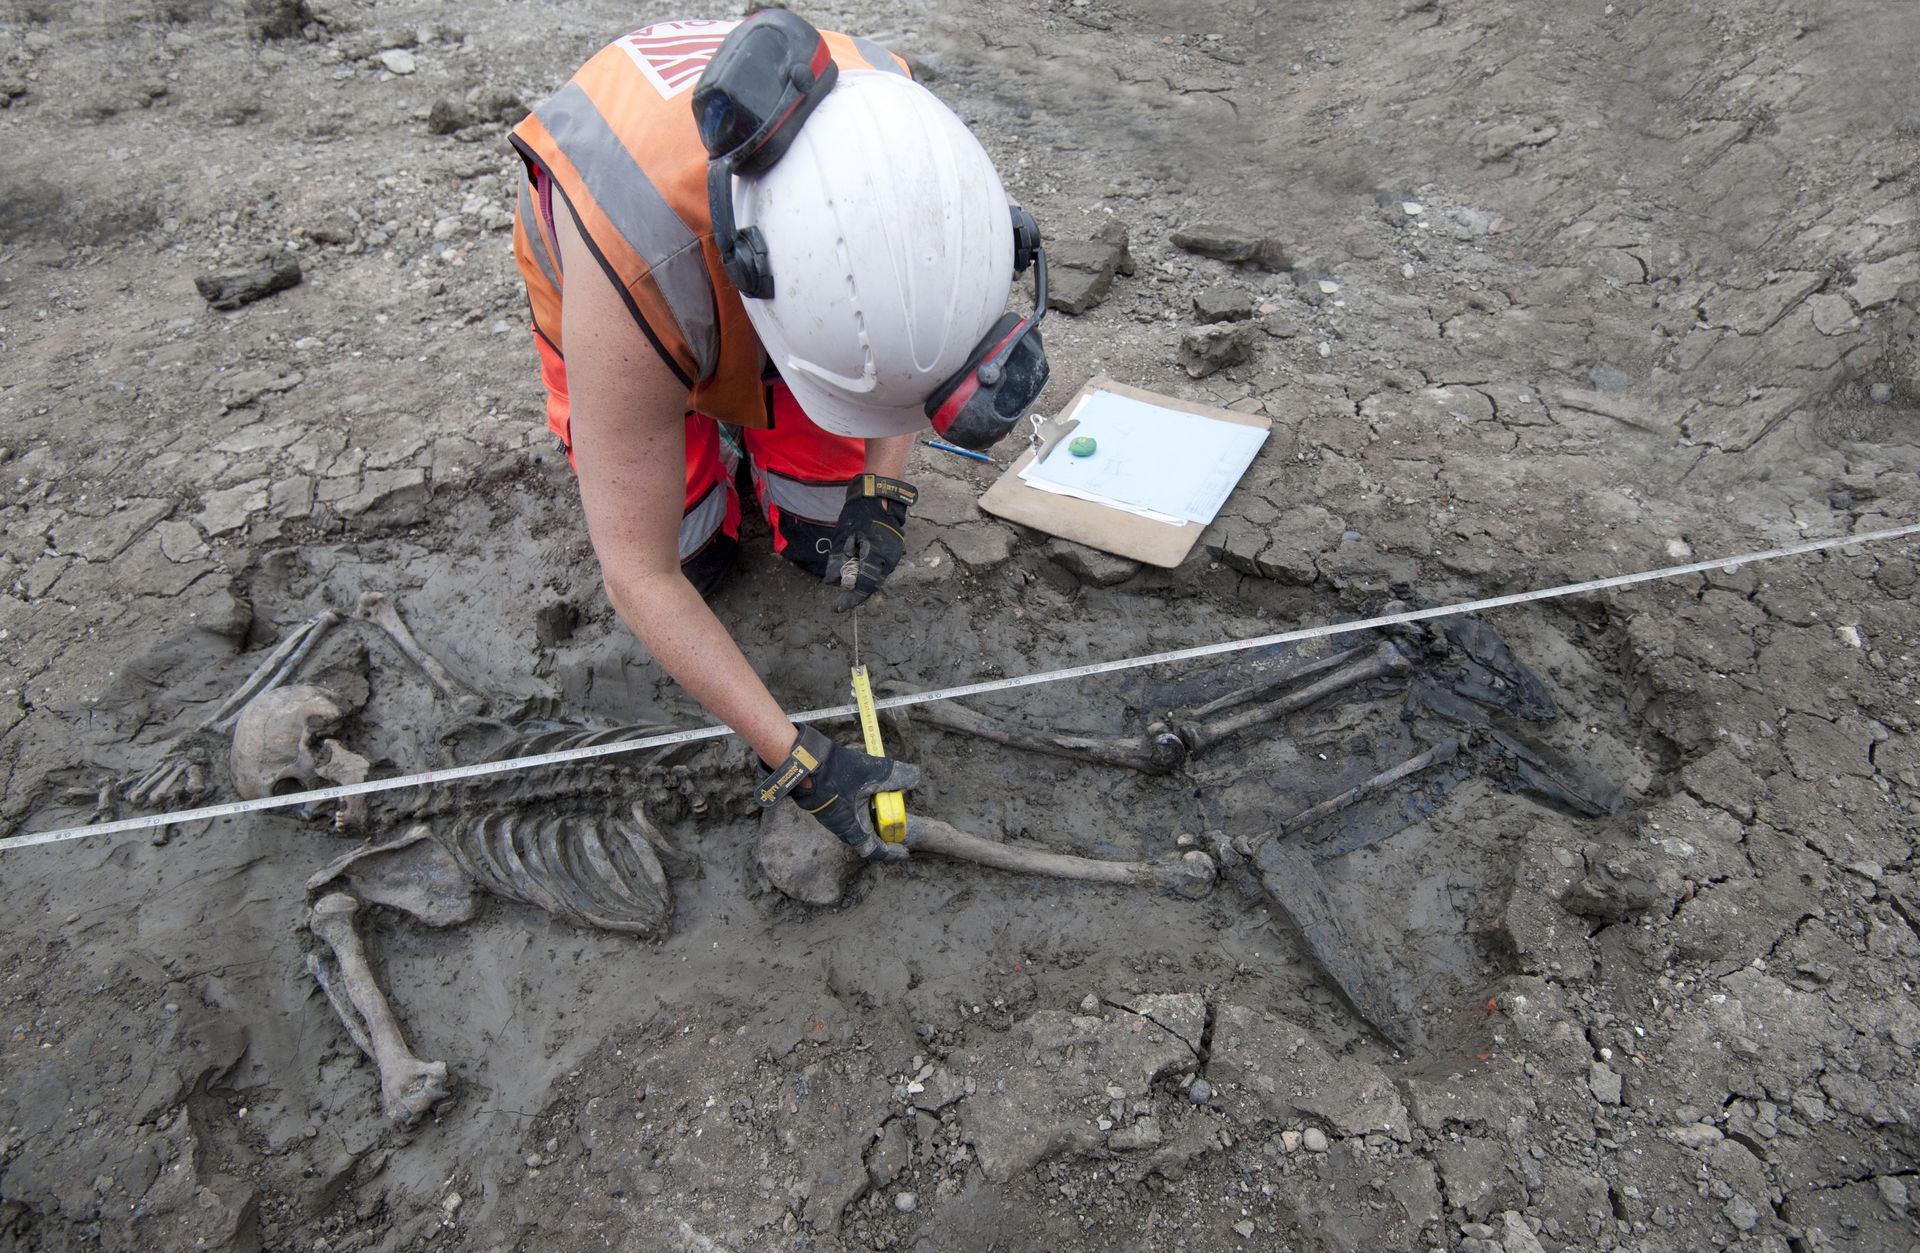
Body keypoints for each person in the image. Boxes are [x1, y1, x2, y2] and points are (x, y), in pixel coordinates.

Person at [508, 14, 1050, 862]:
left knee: (824, 533)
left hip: (793, 291)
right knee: (687, 559)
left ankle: (762, 446)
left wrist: (883, 490)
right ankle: (706, 438)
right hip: (628, 277)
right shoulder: (633, 260)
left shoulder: (913, 151)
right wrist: (794, 756)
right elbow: (638, 575)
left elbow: (911, 363)